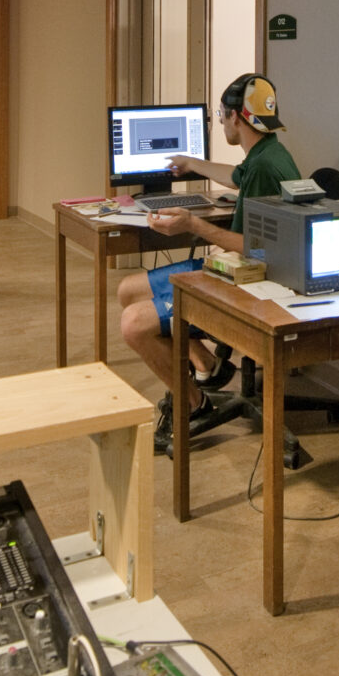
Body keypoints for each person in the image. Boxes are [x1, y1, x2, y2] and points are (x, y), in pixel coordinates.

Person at [116, 73, 301, 455]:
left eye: (221, 115)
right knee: (127, 290)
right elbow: (236, 177)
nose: (220, 122)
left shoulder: (266, 166)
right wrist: (193, 163)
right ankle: (207, 365)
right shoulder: (267, 152)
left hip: (246, 278)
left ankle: (194, 406)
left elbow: (263, 252)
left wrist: (194, 225)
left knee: (134, 325)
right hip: (229, 263)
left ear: (236, 117)